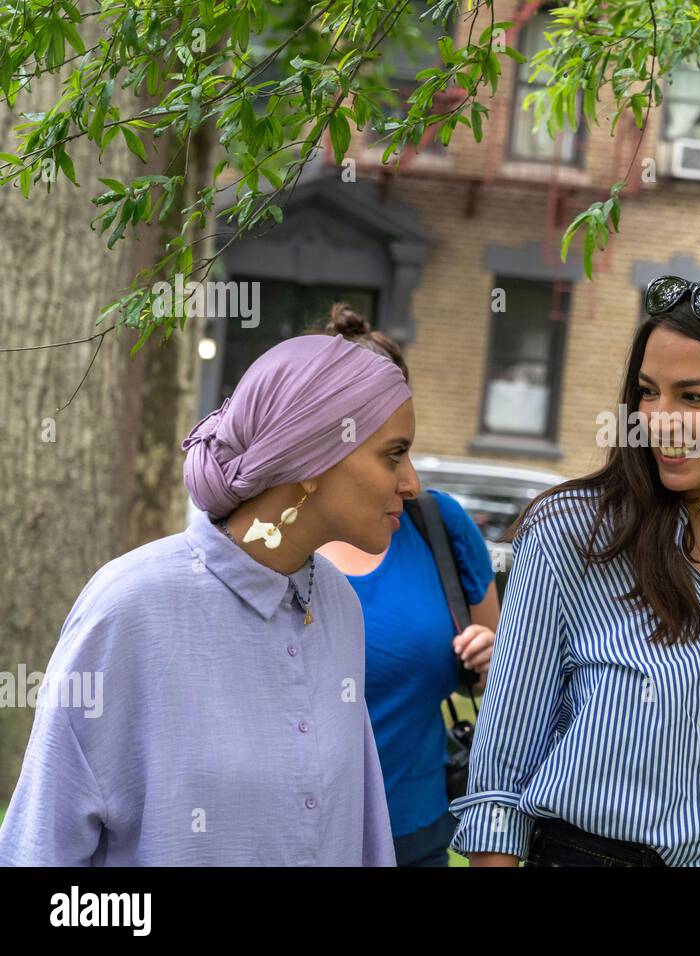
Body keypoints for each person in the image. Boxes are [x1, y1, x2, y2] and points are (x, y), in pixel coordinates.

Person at [449, 275, 700, 867]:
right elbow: (501, 776)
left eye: (693, 397)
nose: (658, 421)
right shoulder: (575, 534)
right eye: (648, 392)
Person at [0, 333, 414, 865]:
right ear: (312, 458)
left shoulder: (338, 604)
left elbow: (355, 822)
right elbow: (40, 849)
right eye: (395, 454)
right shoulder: (129, 609)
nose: (412, 482)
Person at [315, 304, 500, 867]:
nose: (410, 479)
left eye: (406, 449)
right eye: (392, 452)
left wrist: (491, 661)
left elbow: (502, 685)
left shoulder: (437, 525)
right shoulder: (280, 550)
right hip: (303, 839)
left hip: (416, 836)